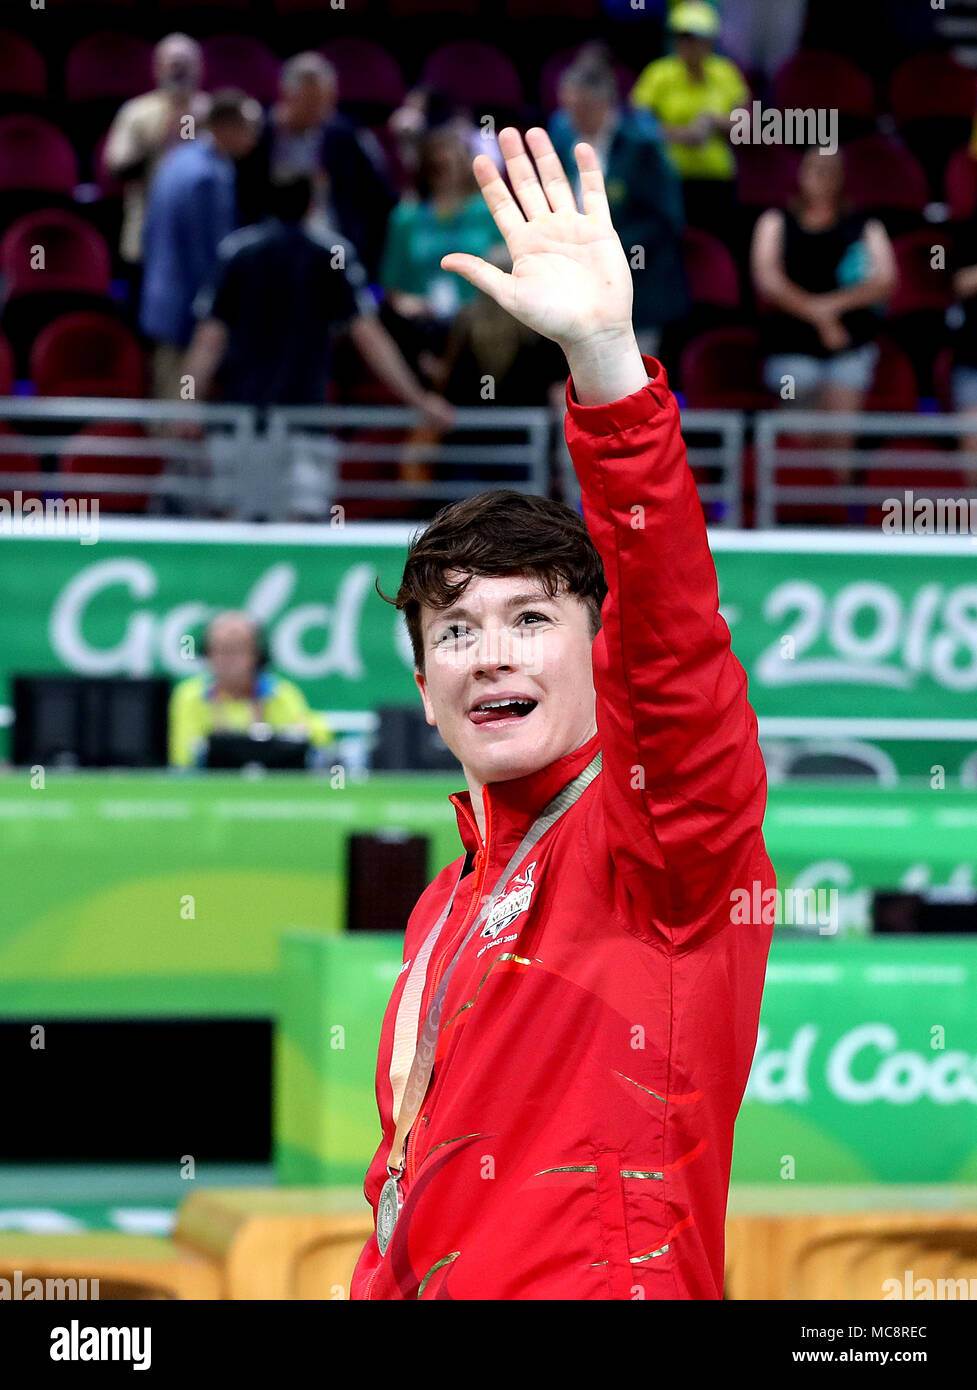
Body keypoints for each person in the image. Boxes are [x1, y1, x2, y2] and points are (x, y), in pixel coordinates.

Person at [350, 126, 775, 1301]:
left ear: (596, 646)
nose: (487, 654)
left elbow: (676, 654)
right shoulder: (445, 904)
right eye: (451, 630)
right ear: (424, 690)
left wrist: (603, 362)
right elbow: (400, 1206)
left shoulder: (662, 846)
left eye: (528, 618)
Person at [184, 176, 455, 518]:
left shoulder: (237, 250)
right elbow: (370, 338)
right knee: (299, 535)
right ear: (314, 205)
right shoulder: (332, 253)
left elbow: (209, 340)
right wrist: (418, 398)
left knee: (235, 530)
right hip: (303, 423)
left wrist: (188, 401)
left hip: (242, 422)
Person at [549, 43, 689, 360]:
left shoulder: (643, 148)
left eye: (582, 108)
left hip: (639, 285)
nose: (572, 117)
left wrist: (604, 245)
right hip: (581, 285)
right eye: (569, 107)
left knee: (632, 382)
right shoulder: (564, 143)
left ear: (605, 104)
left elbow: (667, 220)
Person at [750, 148, 896, 413]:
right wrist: (820, 316)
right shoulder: (775, 221)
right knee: (797, 430)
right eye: (814, 168)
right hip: (790, 341)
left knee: (839, 427)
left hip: (848, 342)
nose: (821, 176)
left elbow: (884, 281)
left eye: (829, 169)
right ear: (800, 174)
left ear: (842, 177)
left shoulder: (865, 225)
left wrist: (830, 308)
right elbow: (769, 281)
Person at [140, 90, 262, 401]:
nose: (255, 138)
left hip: (161, 300)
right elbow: (212, 255)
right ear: (225, 126)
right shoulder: (211, 175)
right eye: (250, 128)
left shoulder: (177, 159)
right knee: (182, 407)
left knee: (169, 395)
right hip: (188, 311)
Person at [235, 51, 397, 279]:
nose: (322, 111)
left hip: (331, 250)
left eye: (327, 101)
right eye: (312, 101)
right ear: (288, 96)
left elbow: (378, 200)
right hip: (268, 251)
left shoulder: (347, 137)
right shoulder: (259, 137)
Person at [102, 33, 212, 313]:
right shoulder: (137, 112)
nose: (180, 70)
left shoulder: (212, 112)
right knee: (147, 318)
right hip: (146, 237)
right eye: (173, 63)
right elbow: (119, 170)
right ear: (157, 67)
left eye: (186, 64)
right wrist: (163, 136)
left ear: (200, 67)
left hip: (202, 236)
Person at [378, 126, 500, 365]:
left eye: (453, 162)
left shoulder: (489, 211)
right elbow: (392, 289)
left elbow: (507, 269)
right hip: (422, 325)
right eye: (439, 166)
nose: (446, 170)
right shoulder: (406, 218)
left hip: (480, 324)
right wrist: (406, 303)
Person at [629, 1, 748, 232]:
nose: (687, 44)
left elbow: (745, 124)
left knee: (716, 239)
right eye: (681, 36)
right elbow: (637, 126)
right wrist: (683, 134)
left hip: (716, 177)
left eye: (695, 37)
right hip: (667, 176)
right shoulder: (658, 73)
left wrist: (714, 121)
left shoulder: (726, 72)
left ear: (710, 41)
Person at [168, 611, 332, 768]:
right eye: (219, 650)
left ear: (256, 655)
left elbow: (318, 739)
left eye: (237, 650)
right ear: (207, 654)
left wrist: (304, 731)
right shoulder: (190, 696)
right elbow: (183, 759)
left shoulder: (280, 694)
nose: (227, 659)